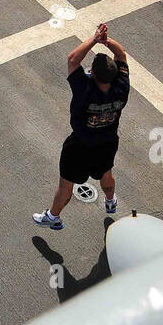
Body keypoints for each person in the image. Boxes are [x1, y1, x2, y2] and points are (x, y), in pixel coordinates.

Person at [33, 23, 130, 230]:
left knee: (66, 185)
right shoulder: (122, 87)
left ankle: (53, 217)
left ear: (93, 74)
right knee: (106, 173)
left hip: (79, 146)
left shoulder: (84, 88)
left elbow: (72, 59)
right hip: (108, 142)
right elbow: (121, 54)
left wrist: (96, 39)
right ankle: (111, 202)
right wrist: (107, 41)